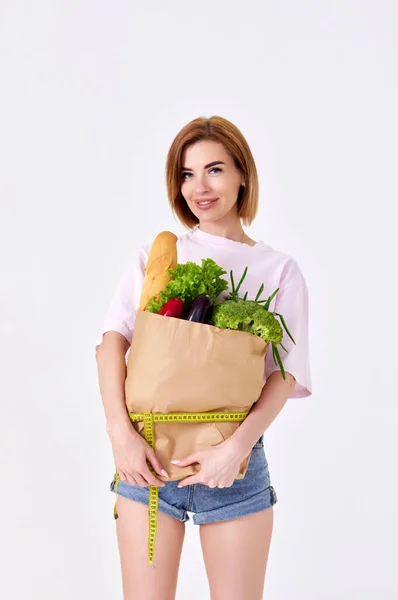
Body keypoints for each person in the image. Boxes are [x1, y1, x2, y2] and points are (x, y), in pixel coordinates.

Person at [95, 115, 312, 599]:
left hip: (232, 464)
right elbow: (112, 342)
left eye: (214, 170)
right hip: (146, 459)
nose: (199, 187)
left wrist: (233, 451)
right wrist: (120, 434)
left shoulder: (278, 270)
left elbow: (283, 374)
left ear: (242, 174)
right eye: (187, 174)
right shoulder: (159, 256)